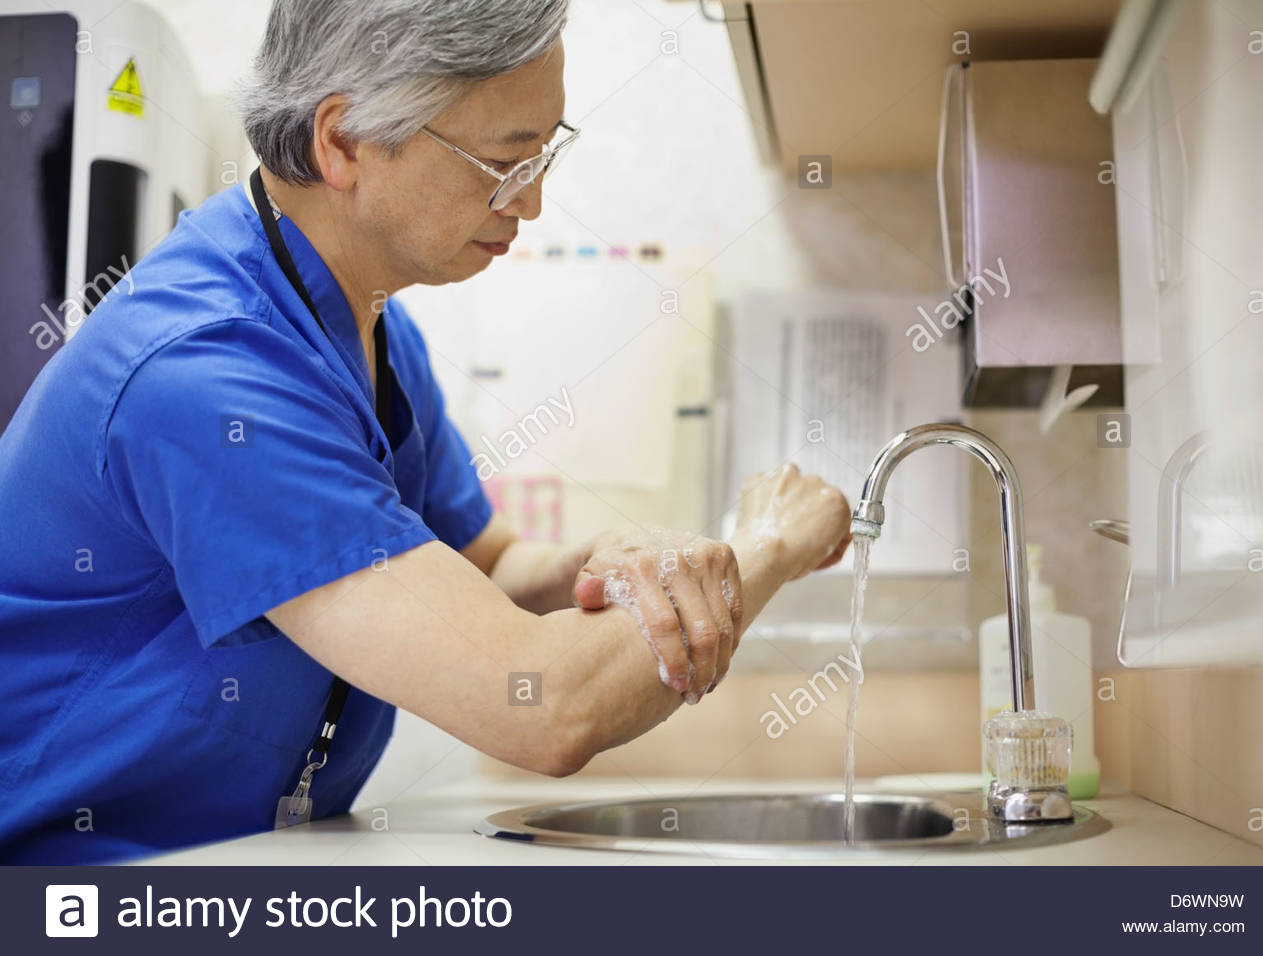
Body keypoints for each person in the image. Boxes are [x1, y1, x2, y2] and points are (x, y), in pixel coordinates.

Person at [0, 0, 850, 863]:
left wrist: (611, 567)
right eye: (505, 161)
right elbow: (545, 709)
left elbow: (487, 563)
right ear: (343, 142)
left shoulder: (370, 329)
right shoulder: (208, 375)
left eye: (546, 151)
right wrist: (771, 544)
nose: (535, 199)